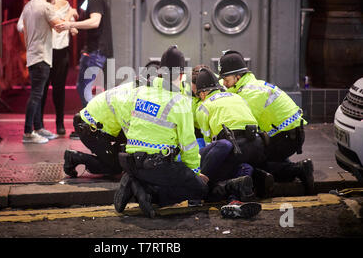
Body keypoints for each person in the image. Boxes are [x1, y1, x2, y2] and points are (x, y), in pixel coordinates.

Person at [113, 45, 209, 218]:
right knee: (199, 188)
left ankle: (134, 182)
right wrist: (194, 174)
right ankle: (145, 193)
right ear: (181, 75)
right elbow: (188, 145)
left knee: (170, 178)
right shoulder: (179, 102)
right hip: (157, 165)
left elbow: (122, 111)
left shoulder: (140, 92)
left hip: (130, 162)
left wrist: (132, 136)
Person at [219, 50, 314, 195]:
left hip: (287, 139)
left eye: (226, 79)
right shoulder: (250, 84)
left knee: (249, 158)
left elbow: (246, 129)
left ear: (238, 77)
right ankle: (285, 167)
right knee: (257, 151)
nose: (224, 83)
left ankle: (297, 170)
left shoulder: (248, 94)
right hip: (291, 134)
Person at [194, 67, 271, 204]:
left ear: (204, 93)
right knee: (244, 167)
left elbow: (209, 143)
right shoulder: (237, 97)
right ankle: (237, 196)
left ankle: (216, 189)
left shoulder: (204, 106)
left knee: (216, 170)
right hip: (258, 145)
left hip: (234, 146)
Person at [18, 0, 78, 137]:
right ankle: (30, 132)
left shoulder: (31, 5)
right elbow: (60, 26)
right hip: (42, 53)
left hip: (49, 52)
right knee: (38, 93)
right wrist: (70, 16)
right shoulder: (43, 6)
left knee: (43, 92)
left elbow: (67, 26)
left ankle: (39, 128)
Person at [59, 0, 113, 109]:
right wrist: (71, 16)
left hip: (96, 52)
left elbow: (95, 22)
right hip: (91, 51)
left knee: (85, 89)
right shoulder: (87, 2)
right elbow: (79, 19)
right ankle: (91, 121)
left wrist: (71, 24)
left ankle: (92, 122)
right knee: (83, 88)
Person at [64, 81, 136, 178]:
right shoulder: (130, 100)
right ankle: (74, 157)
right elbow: (132, 133)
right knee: (115, 167)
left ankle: (113, 157)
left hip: (98, 126)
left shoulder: (134, 88)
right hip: (90, 129)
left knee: (123, 158)